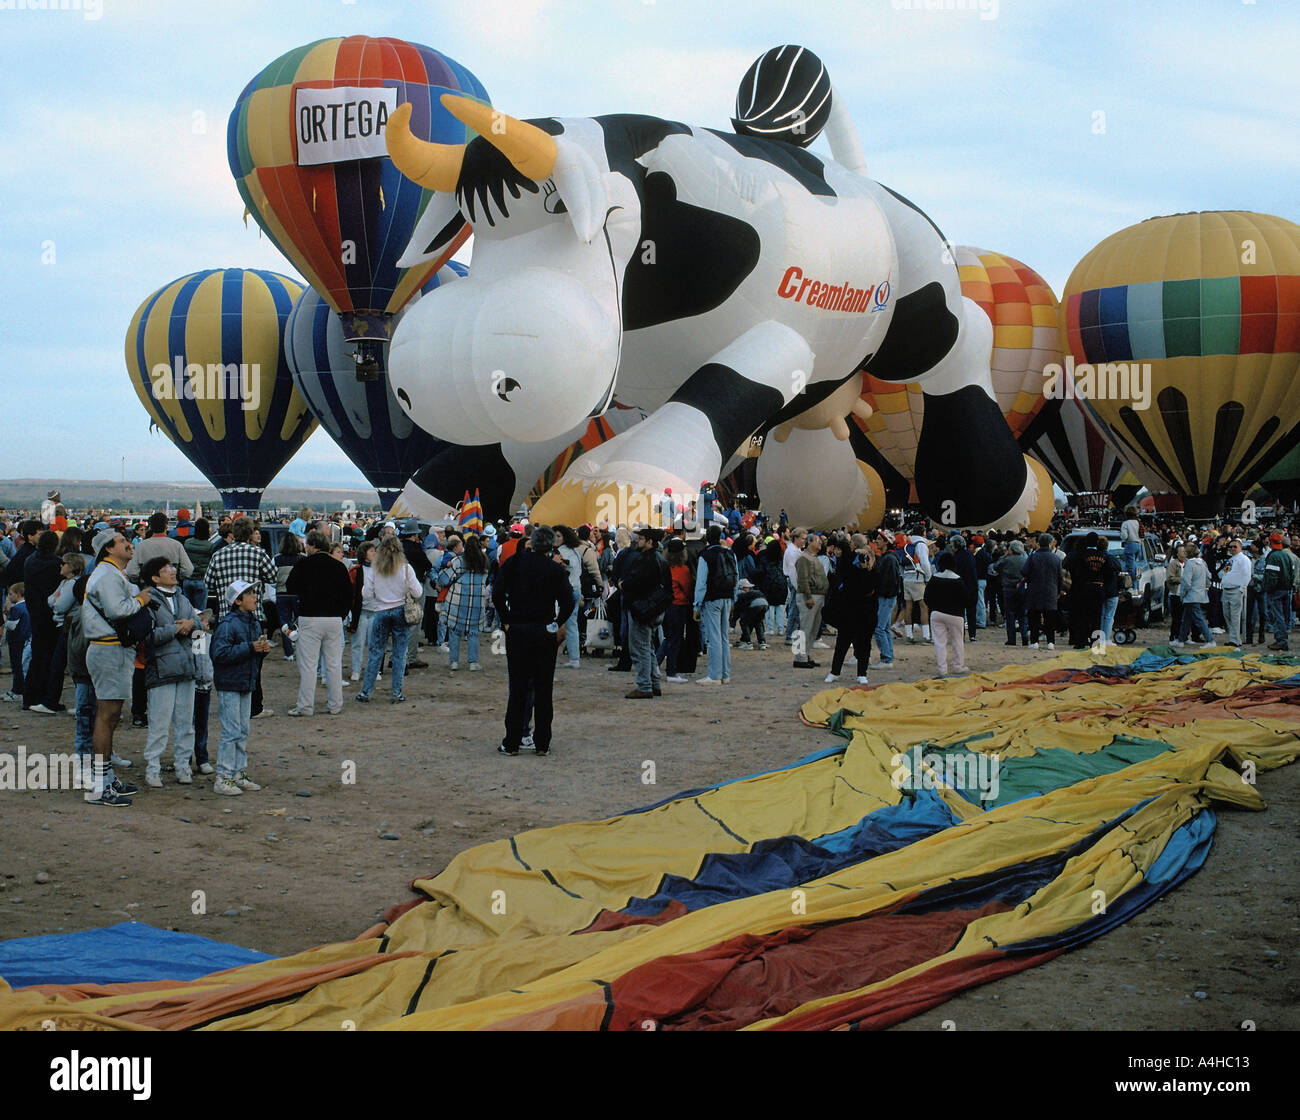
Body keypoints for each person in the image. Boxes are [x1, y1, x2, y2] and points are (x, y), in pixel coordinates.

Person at [492, 525, 574, 755]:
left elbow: (497, 592)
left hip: (518, 628)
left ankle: (512, 742)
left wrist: (506, 618)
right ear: (551, 545)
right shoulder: (555, 569)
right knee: (543, 689)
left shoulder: (514, 562)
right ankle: (542, 743)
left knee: (518, 687)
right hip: (544, 630)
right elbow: (568, 601)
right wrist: (557, 622)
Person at [82, 528, 149, 806]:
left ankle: (107, 778)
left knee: (111, 716)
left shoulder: (110, 573)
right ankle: (99, 785)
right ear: (108, 549)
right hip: (108, 649)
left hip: (111, 649)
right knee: (107, 716)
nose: (128, 544)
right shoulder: (108, 575)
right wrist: (142, 599)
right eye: (122, 541)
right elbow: (117, 610)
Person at [204, 518, 278, 719]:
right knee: (254, 662)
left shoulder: (219, 554)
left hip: (225, 615)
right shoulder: (258, 553)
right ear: (250, 533)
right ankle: (254, 706)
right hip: (254, 615)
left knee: (228, 660)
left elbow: (208, 582)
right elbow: (273, 577)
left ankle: (232, 704)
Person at [138, 557, 201, 787]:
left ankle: (183, 766)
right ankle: (152, 768)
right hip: (161, 670)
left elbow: (200, 624)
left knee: (186, 723)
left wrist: (192, 625)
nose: (172, 572)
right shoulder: (148, 601)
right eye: (166, 570)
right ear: (155, 578)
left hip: (186, 667)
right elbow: (147, 636)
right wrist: (176, 628)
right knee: (159, 723)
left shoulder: (183, 598)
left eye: (172, 568)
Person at [210, 579, 271, 795]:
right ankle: (224, 777)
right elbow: (219, 654)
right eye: (250, 594)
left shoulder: (253, 622)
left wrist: (261, 650)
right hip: (231, 683)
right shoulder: (228, 625)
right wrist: (251, 648)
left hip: (244, 682)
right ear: (238, 601)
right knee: (232, 731)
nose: (255, 597)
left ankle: (236, 772)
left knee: (242, 730)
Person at [286, 530, 353, 716]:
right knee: (333, 664)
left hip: (310, 617)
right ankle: (335, 705)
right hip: (334, 619)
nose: (305, 548)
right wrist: (341, 615)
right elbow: (348, 595)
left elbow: (290, 586)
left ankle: (305, 706)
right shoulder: (339, 566)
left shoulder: (303, 564)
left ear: (313, 546)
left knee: (308, 666)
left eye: (307, 545)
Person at [355, 536, 421, 703]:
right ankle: (396, 693)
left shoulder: (375, 569)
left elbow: (366, 594)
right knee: (399, 654)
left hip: (380, 611)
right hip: (400, 612)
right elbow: (418, 592)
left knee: (375, 653)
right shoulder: (406, 568)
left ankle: (365, 692)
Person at [623, 527, 670, 698]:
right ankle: (654, 683)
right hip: (655, 609)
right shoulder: (660, 558)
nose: (637, 541)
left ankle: (644, 686)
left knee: (640, 648)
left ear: (650, 542)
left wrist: (623, 585)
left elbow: (636, 583)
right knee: (648, 647)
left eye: (641, 538)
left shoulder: (645, 560)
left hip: (643, 609)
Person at [825, 534, 877, 684]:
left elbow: (873, 584)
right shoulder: (848, 560)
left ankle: (861, 673)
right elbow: (844, 577)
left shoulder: (872, 564)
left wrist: (868, 567)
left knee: (863, 643)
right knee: (843, 642)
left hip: (865, 609)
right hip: (849, 608)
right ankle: (836, 671)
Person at [23, 530, 63, 713]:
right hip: (50, 614)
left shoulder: (30, 560)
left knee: (38, 655)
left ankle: (30, 696)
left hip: (35, 611)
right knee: (51, 657)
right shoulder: (55, 563)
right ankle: (46, 696)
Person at [694, 524, 738, 684]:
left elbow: (701, 583)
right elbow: (736, 576)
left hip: (712, 598)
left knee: (713, 638)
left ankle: (714, 675)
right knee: (724, 637)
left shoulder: (705, 555)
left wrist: (697, 605)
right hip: (727, 596)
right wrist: (734, 599)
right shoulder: (729, 553)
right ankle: (725, 674)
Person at [444, 533, 490, 671]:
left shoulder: (458, 561)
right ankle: (473, 662)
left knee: (454, 630)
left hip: (457, 600)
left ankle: (454, 662)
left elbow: (445, 579)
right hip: (477, 601)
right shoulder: (484, 562)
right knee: (473, 632)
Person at [924, 553, 970, 677]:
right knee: (957, 641)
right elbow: (966, 599)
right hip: (955, 615)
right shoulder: (958, 580)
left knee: (939, 642)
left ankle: (942, 669)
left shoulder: (935, 578)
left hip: (937, 614)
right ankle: (958, 666)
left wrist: (933, 607)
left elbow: (926, 597)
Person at [657, 537, 693, 682]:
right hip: (678, 605)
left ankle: (656, 663)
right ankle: (671, 672)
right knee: (675, 639)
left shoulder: (663, 567)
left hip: (665, 605)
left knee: (668, 637)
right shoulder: (683, 570)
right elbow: (687, 588)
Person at [1064, 532, 1108, 648]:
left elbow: (1073, 569)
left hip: (1083, 588)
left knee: (1082, 615)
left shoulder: (1080, 555)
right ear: (1097, 542)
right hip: (1098, 587)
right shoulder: (1103, 555)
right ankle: (1095, 642)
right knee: (1096, 617)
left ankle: (1081, 641)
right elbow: (1109, 570)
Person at [1022, 533, 1063, 650]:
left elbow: (1024, 571)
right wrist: (1059, 590)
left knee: (1034, 617)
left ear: (1039, 542)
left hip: (1034, 590)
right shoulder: (1056, 558)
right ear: (1050, 543)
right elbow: (1060, 577)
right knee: (1050, 617)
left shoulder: (1033, 557)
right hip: (1051, 591)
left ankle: (1034, 641)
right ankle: (1051, 642)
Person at [554, 525, 585, 669]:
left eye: (558, 536)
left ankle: (572, 658)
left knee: (559, 623)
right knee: (572, 625)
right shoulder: (575, 552)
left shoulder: (561, 553)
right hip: (576, 589)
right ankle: (574, 658)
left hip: (567, 591)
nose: (556, 538)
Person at [1172, 542, 1213, 648]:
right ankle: (1181, 639)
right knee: (1186, 619)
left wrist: (1183, 594)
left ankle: (1210, 640)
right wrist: (1205, 588)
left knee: (1198, 618)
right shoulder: (1202, 563)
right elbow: (1208, 577)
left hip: (1191, 595)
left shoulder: (1190, 564)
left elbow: (1186, 582)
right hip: (1200, 593)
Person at [1261, 532, 1296, 651]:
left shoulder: (1273, 556)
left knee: (1277, 616)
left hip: (1276, 591)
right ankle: (1282, 639)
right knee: (1283, 616)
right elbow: (1292, 573)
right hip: (1286, 589)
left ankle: (1281, 641)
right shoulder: (1286, 555)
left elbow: (1272, 576)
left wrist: (1267, 588)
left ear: (1270, 543)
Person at [349, 540, 377, 682]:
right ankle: (356, 669)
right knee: (358, 643)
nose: (374, 553)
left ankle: (374, 670)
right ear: (364, 553)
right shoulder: (356, 570)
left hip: (375, 611)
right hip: (360, 612)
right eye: (371, 551)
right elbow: (350, 591)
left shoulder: (379, 570)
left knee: (375, 644)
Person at [991, 539, 1029, 646]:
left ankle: (1011, 639)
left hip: (1008, 588)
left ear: (1011, 549)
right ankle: (1024, 636)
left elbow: (996, 566)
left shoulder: (1006, 560)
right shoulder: (1025, 560)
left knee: (1010, 614)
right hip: (1022, 588)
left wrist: (1004, 556)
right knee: (1022, 614)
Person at [871, 533, 901, 669]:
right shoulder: (887, 557)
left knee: (879, 628)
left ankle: (886, 659)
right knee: (885, 628)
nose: (876, 541)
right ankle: (888, 655)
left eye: (879, 539)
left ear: (886, 542)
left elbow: (891, 581)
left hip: (886, 597)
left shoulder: (889, 559)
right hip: (886, 597)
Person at [898, 530, 933, 642]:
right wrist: (928, 577)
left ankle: (909, 635)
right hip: (918, 578)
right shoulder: (921, 545)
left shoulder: (906, 545)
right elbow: (924, 563)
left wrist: (904, 576)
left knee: (908, 607)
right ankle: (926, 636)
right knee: (924, 607)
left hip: (906, 579)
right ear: (924, 533)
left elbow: (901, 564)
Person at [273, 532, 303, 658]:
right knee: (300, 622)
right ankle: (301, 647)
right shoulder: (302, 558)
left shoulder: (276, 559)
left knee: (284, 623)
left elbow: (272, 578)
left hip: (281, 594)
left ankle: (288, 652)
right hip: (298, 594)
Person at [1218, 538, 1251, 647]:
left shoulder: (1244, 559)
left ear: (1240, 547)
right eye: (1230, 547)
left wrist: (1242, 588)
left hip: (1236, 590)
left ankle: (1235, 640)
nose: (1232, 548)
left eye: (1235, 546)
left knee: (1235, 616)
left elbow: (1247, 575)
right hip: (1226, 589)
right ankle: (1233, 637)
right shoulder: (1230, 560)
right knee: (1227, 615)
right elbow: (1225, 573)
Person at [1166, 543, 1186, 642]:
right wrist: (1182, 579)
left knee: (1184, 617)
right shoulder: (1173, 564)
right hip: (1176, 593)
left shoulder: (1187, 563)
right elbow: (1170, 578)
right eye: (1182, 551)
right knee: (1176, 617)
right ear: (1177, 553)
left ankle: (1183, 636)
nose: (1184, 553)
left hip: (1185, 594)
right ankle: (1174, 636)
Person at [1119, 506, 1142, 584]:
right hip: (1138, 545)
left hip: (1130, 545)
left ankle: (1131, 583)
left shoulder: (1125, 523)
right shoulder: (1138, 523)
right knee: (1134, 564)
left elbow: (1124, 536)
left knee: (1129, 567)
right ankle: (1136, 583)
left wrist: (1121, 534)